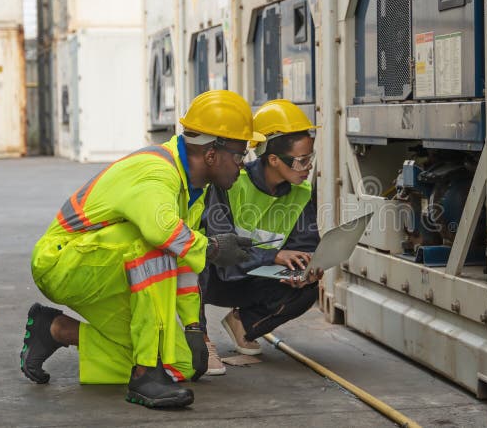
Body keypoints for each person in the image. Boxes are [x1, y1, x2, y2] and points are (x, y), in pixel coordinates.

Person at [20, 90, 266, 409]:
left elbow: (184, 257)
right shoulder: (157, 171)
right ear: (211, 155)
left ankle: (55, 330)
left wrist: (193, 327)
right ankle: (145, 374)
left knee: (185, 365)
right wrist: (214, 248)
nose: (241, 166)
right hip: (64, 263)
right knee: (156, 245)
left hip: (109, 271)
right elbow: (162, 233)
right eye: (239, 155)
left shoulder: (194, 190)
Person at [198, 99, 323, 374]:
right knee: (197, 257)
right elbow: (219, 247)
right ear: (274, 159)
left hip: (253, 279)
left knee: (306, 289)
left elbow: (305, 244)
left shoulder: (301, 193)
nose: (308, 167)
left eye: (310, 158)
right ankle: (200, 340)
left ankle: (243, 322)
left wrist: (306, 268)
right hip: (216, 276)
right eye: (302, 160)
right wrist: (274, 255)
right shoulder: (231, 182)